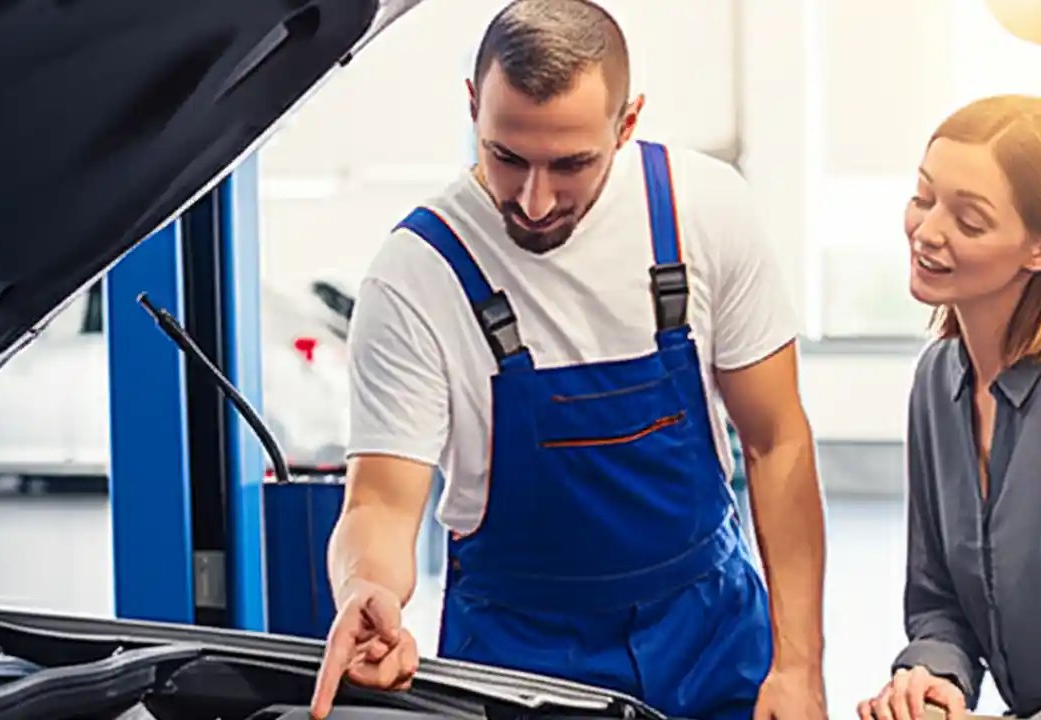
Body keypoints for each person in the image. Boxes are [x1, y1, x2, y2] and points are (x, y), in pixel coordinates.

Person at [310, 1, 828, 718]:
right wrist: (365, 586)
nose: (533, 198)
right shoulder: (415, 273)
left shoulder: (701, 211)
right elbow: (379, 502)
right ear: (473, 104)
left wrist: (799, 665)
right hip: (518, 655)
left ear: (628, 121)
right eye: (506, 155)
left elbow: (778, 443)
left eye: (572, 163)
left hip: (713, 637)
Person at [858, 94, 1041, 720]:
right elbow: (939, 601)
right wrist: (930, 677)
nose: (928, 231)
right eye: (923, 198)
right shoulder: (937, 383)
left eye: (969, 221)